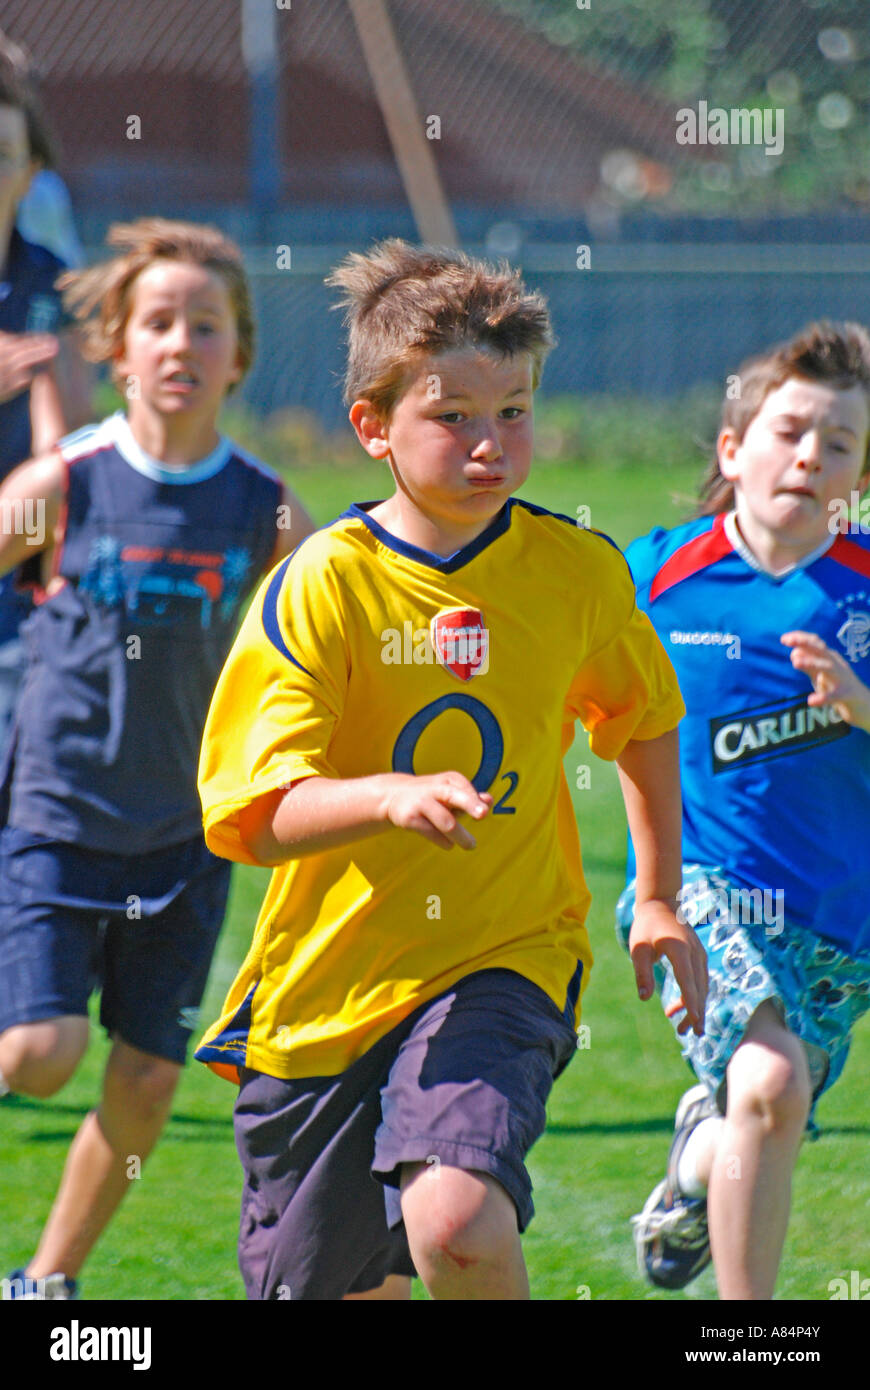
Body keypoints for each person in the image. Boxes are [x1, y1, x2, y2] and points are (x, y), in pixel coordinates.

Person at [194, 238, 707, 1301]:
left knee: (458, 1216)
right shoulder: (323, 585)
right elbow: (253, 813)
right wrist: (389, 795)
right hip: (327, 996)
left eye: (511, 411)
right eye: (454, 415)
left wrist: (655, 895)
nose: (490, 442)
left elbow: (644, 718)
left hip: (507, 957)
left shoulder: (576, 570)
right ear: (373, 428)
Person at [0, 217, 314, 1300]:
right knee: (36, 1053)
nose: (181, 344)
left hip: (187, 834)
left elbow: (329, 646)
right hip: (54, 809)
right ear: (119, 349)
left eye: (207, 325)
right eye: (159, 323)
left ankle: (45, 1282)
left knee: (144, 1077)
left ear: (241, 352)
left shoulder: (266, 509)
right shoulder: (67, 480)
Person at [619, 321, 870, 1300]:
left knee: (758, 1114)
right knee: (767, 1084)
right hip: (697, 893)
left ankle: (692, 1167)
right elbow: (557, 666)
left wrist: (860, 705)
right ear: (733, 449)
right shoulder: (655, 575)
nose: (811, 455)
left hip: (838, 928)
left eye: (839, 443)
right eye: (791, 430)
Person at [0, 35, 91, 751]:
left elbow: (73, 425)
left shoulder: (47, 277)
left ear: (31, 174)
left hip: (19, 550)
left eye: (4, 156)